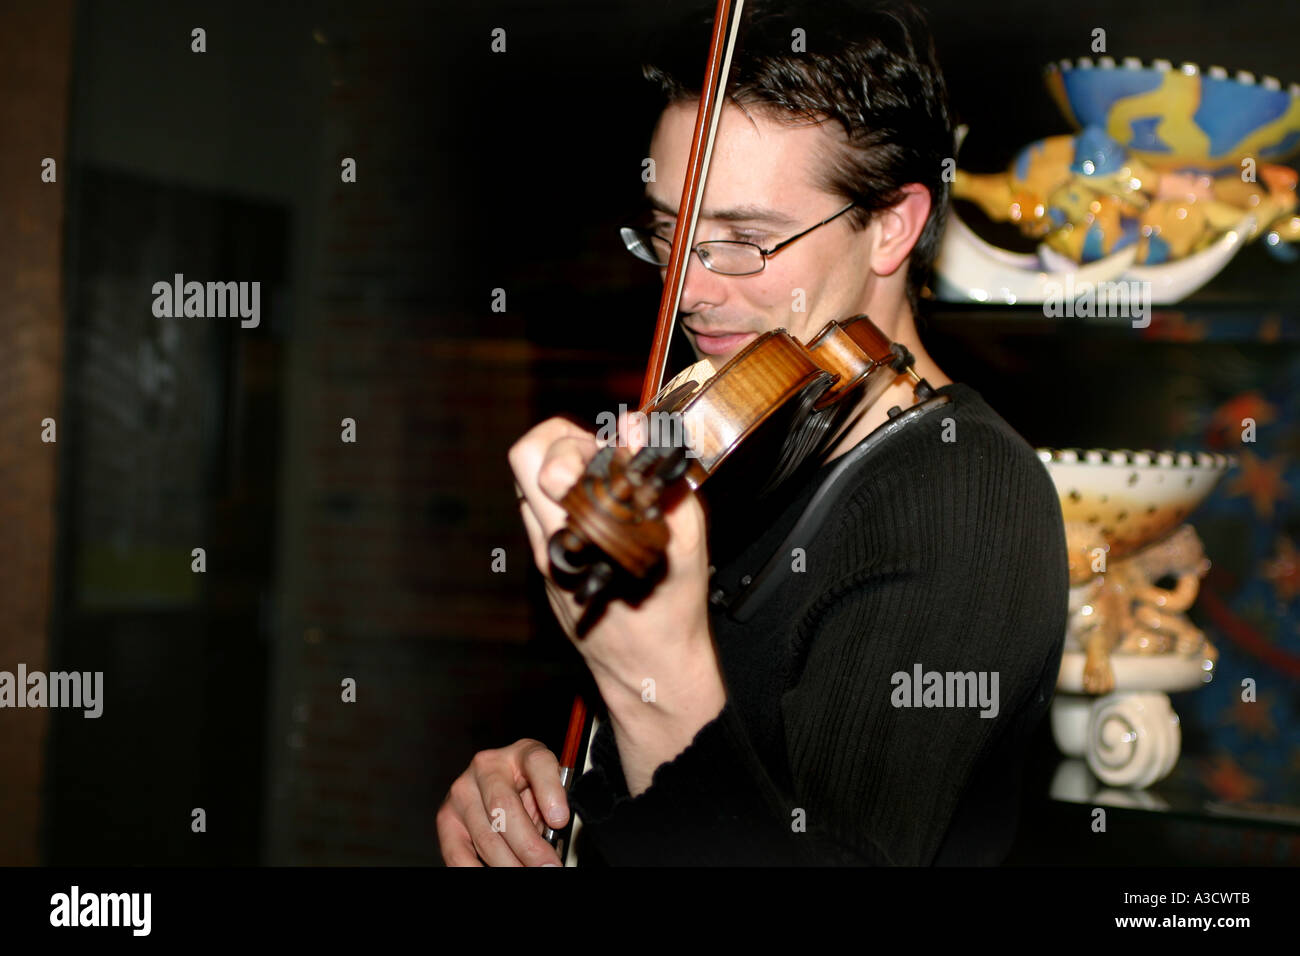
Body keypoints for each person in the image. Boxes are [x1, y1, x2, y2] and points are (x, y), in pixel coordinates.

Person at [437, 0, 1067, 866]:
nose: (689, 289)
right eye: (668, 233)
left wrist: (651, 688)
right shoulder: (743, 455)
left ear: (892, 225)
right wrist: (563, 801)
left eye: (743, 241)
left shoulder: (965, 498)